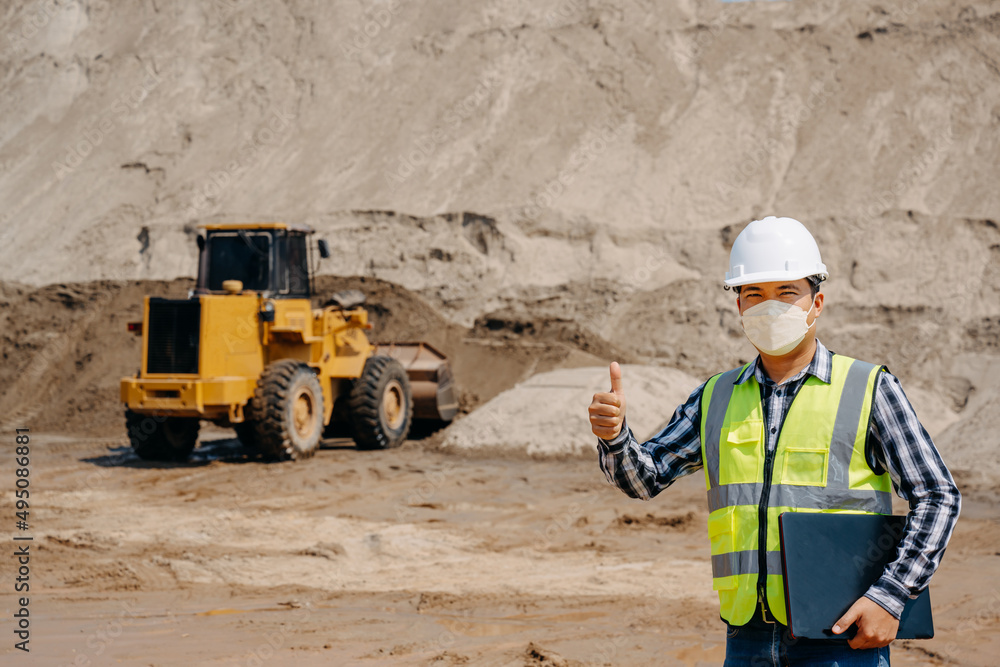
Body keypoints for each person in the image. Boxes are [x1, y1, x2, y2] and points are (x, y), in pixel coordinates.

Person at [589, 216, 961, 666]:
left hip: (841, 638)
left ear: (816, 302)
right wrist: (615, 438)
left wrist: (893, 595)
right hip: (746, 638)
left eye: (787, 293)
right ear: (739, 307)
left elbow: (937, 495)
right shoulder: (716, 397)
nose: (770, 307)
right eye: (755, 295)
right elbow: (644, 479)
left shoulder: (868, 389)